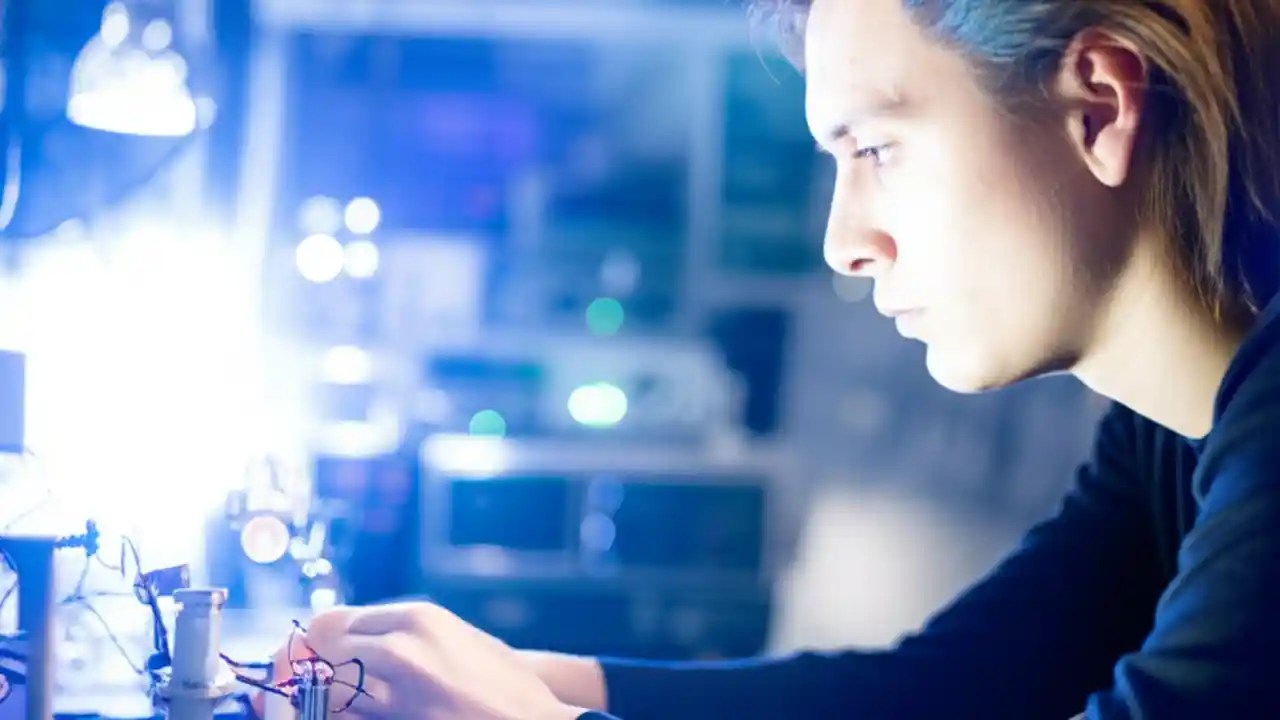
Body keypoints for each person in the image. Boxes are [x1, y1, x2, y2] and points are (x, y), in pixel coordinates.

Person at [260, 0, 1280, 717]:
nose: (843, 241)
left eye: (874, 149)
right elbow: (954, 691)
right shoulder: (1165, 431)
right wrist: (535, 683)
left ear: (1095, 106)